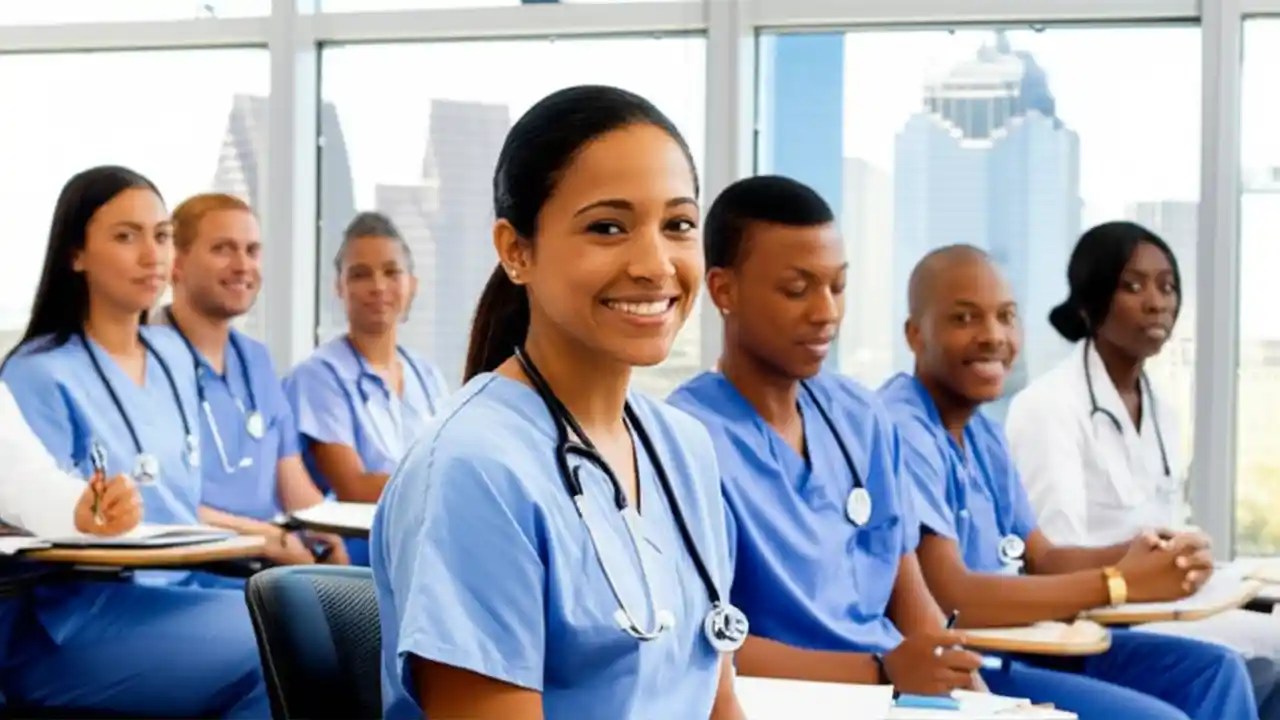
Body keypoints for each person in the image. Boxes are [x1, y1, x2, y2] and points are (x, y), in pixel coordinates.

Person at [667, 175, 1245, 718]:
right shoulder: (689, 441)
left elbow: (913, 599)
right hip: (814, 698)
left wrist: (983, 704)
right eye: (797, 290)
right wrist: (880, 672)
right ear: (724, 289)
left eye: (838, 286)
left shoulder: (859, 418)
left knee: (1216, 674)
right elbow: (702, 646)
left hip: (910, 685)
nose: (827, 313)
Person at [371, 85, 747, 720]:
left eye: (678, 225)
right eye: (608, 227)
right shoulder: (475, 470)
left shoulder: (684, 450)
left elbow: (718, 702)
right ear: (516, 251)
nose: (656, 264)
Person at [878, 243, 1257, 720]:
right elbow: (951, 595)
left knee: (1216, 673)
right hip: (963, 663)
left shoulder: (980, 434)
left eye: (1006, 317)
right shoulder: (901, 428)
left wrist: (1150, 556)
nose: (993, 336)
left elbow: (1043, 558)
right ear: (915, 334)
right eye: (964, 318)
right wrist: (1120, 583)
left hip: (1028, 643)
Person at [0, 165, 268, 717]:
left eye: (162, 236)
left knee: (332, 621)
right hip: (76, 617)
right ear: (76, 254)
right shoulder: (38, 373)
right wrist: (84, 512)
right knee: (291, 647)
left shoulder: (174, 356)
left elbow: (177, 503)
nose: (152, 255)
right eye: (126, 237)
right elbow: (27, 509)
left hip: (186, 588)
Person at [1005, 221, 1280, 715]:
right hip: (1098, 620)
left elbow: (1164, 526)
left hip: (1163, 606)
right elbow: (1048, 560)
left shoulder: (1161, 410)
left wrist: (1185, 557)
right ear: (1090, 302)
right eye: (1133, 286)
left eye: (1167, 286)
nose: (1156, 302)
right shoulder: (1047, 407)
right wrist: (1151, 563)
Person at [161, 192, 347, 568]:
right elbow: (161, 504)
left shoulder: (256, 361)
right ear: (175, 263)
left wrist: (332, 544)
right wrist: (266, 538)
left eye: (252, 250)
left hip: (265, 563)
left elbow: (294, 487)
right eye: (222, 249)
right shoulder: (147, 361)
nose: (243, 265)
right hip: (196, 566)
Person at [284, 212, 448, 564]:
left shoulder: (427, 376)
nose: (378, 286)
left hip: (422, 540)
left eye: (391, 272)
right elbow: (353, 487)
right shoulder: (318, 376)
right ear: (339, 287)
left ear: (412, 284)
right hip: (358, 551)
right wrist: (446, 485)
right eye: (360, 274)